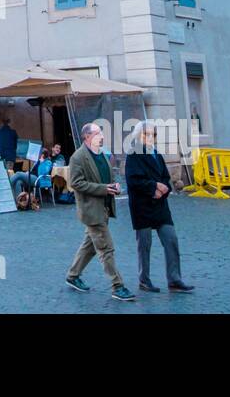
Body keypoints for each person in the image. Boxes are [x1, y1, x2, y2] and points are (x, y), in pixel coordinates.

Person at [64, 123, 134, 301]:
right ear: (87, 136)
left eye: (101, 133)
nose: (101, 136)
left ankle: (72, 275)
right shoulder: (78, 157)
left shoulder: (102, 154)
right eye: (97, 133)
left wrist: (114, 186)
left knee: (90, 245)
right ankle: (117, 286)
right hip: (91, 211)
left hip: (104, 208)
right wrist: (103, 189)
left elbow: (107, 177)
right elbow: (76, 183)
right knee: (106, 248)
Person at [126, 121, 194, 294]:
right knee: (145, 244)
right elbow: (133, 180)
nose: (150, 138)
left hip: (161, 205)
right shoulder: (133, 154)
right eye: (146, 134)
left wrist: (164, 187)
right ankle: (144, 280)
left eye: (153, 134)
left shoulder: (157, 154)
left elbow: (166, 177)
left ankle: (174, 279)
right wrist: (154, 187)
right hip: (142, 206)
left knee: (171, 239)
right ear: (139, 136)